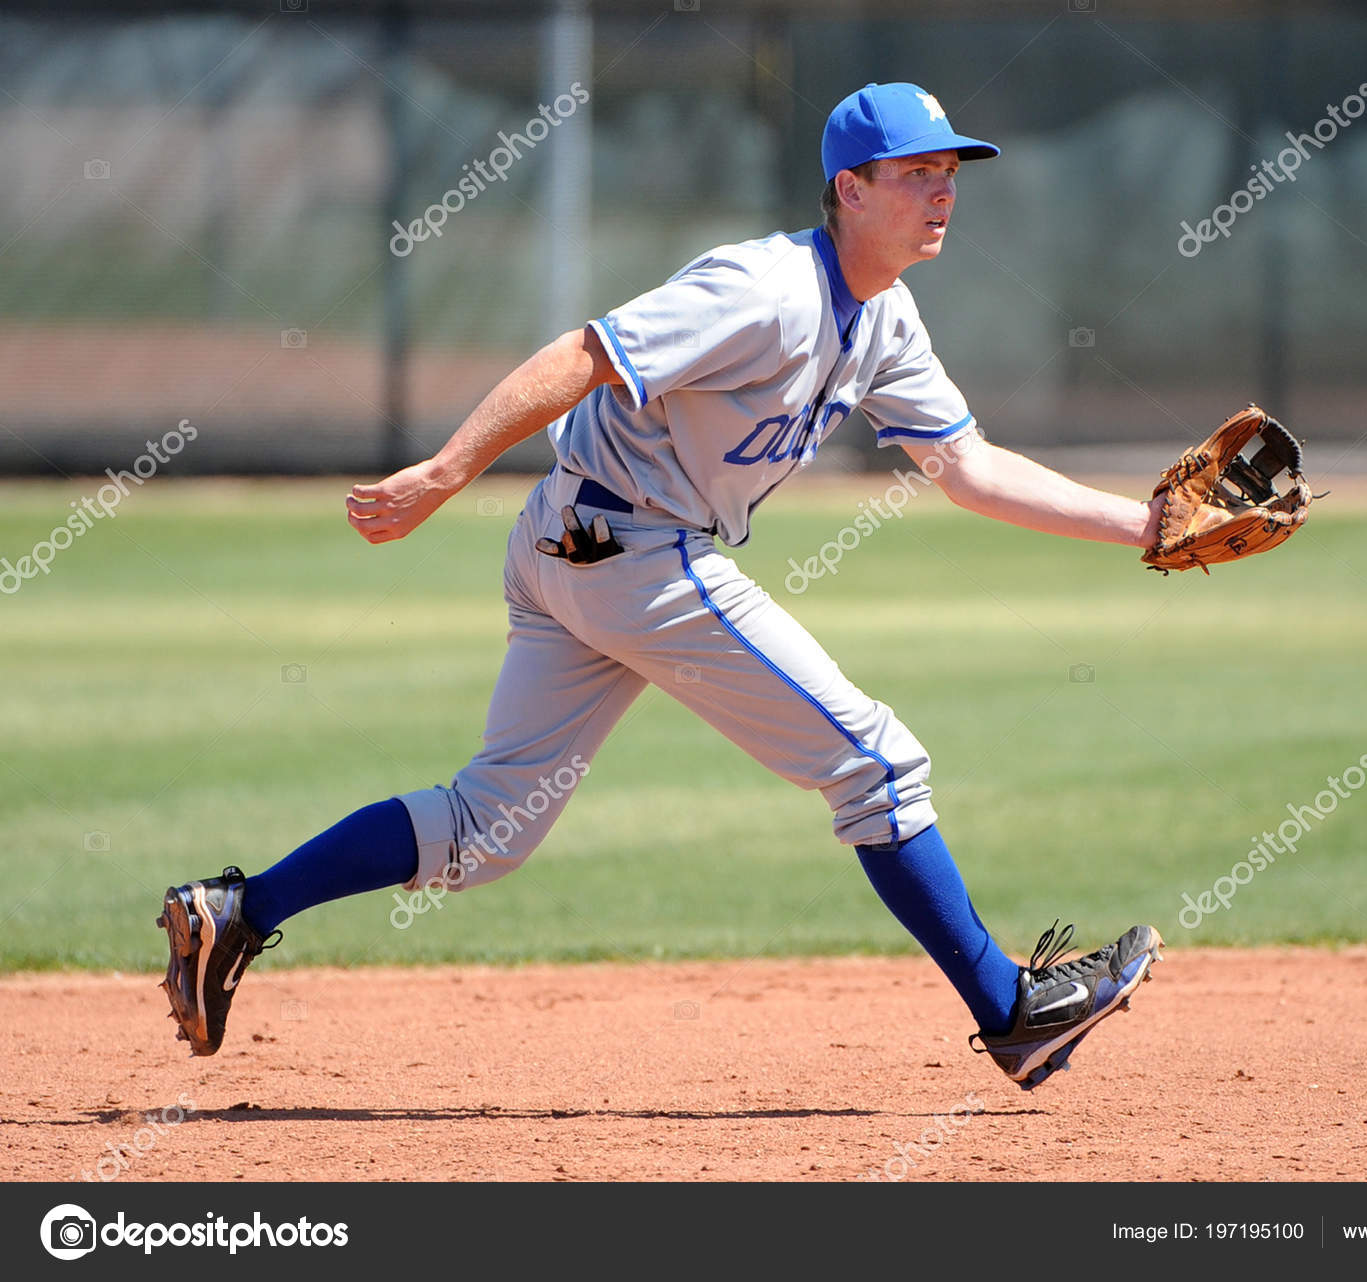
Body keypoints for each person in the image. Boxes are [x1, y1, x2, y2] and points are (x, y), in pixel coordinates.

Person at [158, 82, 1164, 1091]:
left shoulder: (884, 322)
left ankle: (238, 911)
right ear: (849, 189)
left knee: (486, 828)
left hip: (583, 547)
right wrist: (445, 471)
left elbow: (969, 468)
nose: (942, 193)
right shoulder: (763, 289)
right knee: (876, 765)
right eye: (916, 174)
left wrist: (1146, 525)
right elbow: (585, 354)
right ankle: (1009, 1009)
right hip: (625, 546)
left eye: (949, 174)